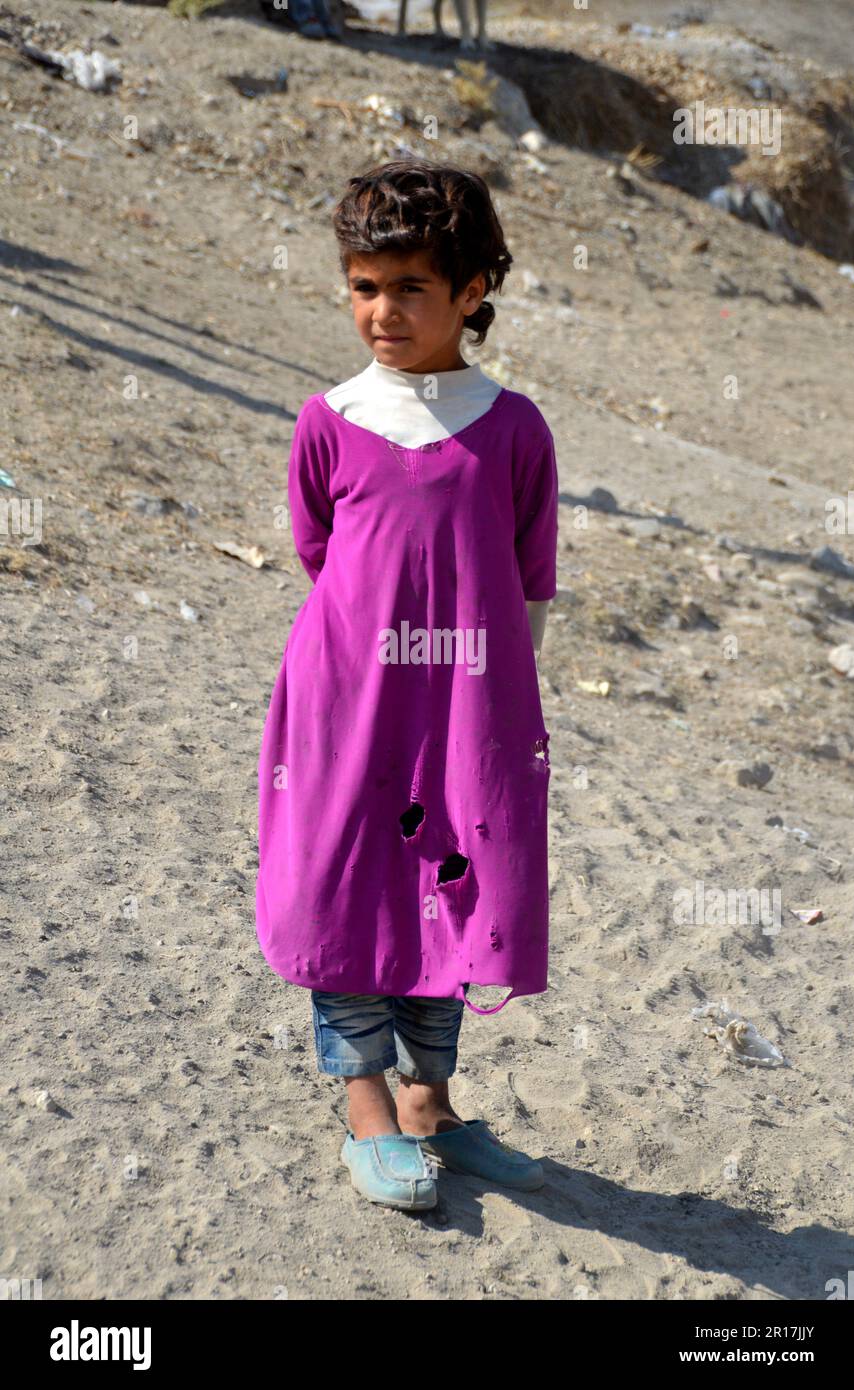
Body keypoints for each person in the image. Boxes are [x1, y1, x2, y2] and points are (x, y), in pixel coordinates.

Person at [256, 158, 558, 1211]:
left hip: (473, 713)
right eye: (362, 286)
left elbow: (526, 584)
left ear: (472, 291)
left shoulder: (516, 429)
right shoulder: (328, 418)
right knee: (343, 888)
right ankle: (368, 1105)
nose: (381, 311)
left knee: (456, 887)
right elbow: (322, 555)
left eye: (409, 287)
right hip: (346, 705)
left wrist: (503, 720)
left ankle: (434, 1102)